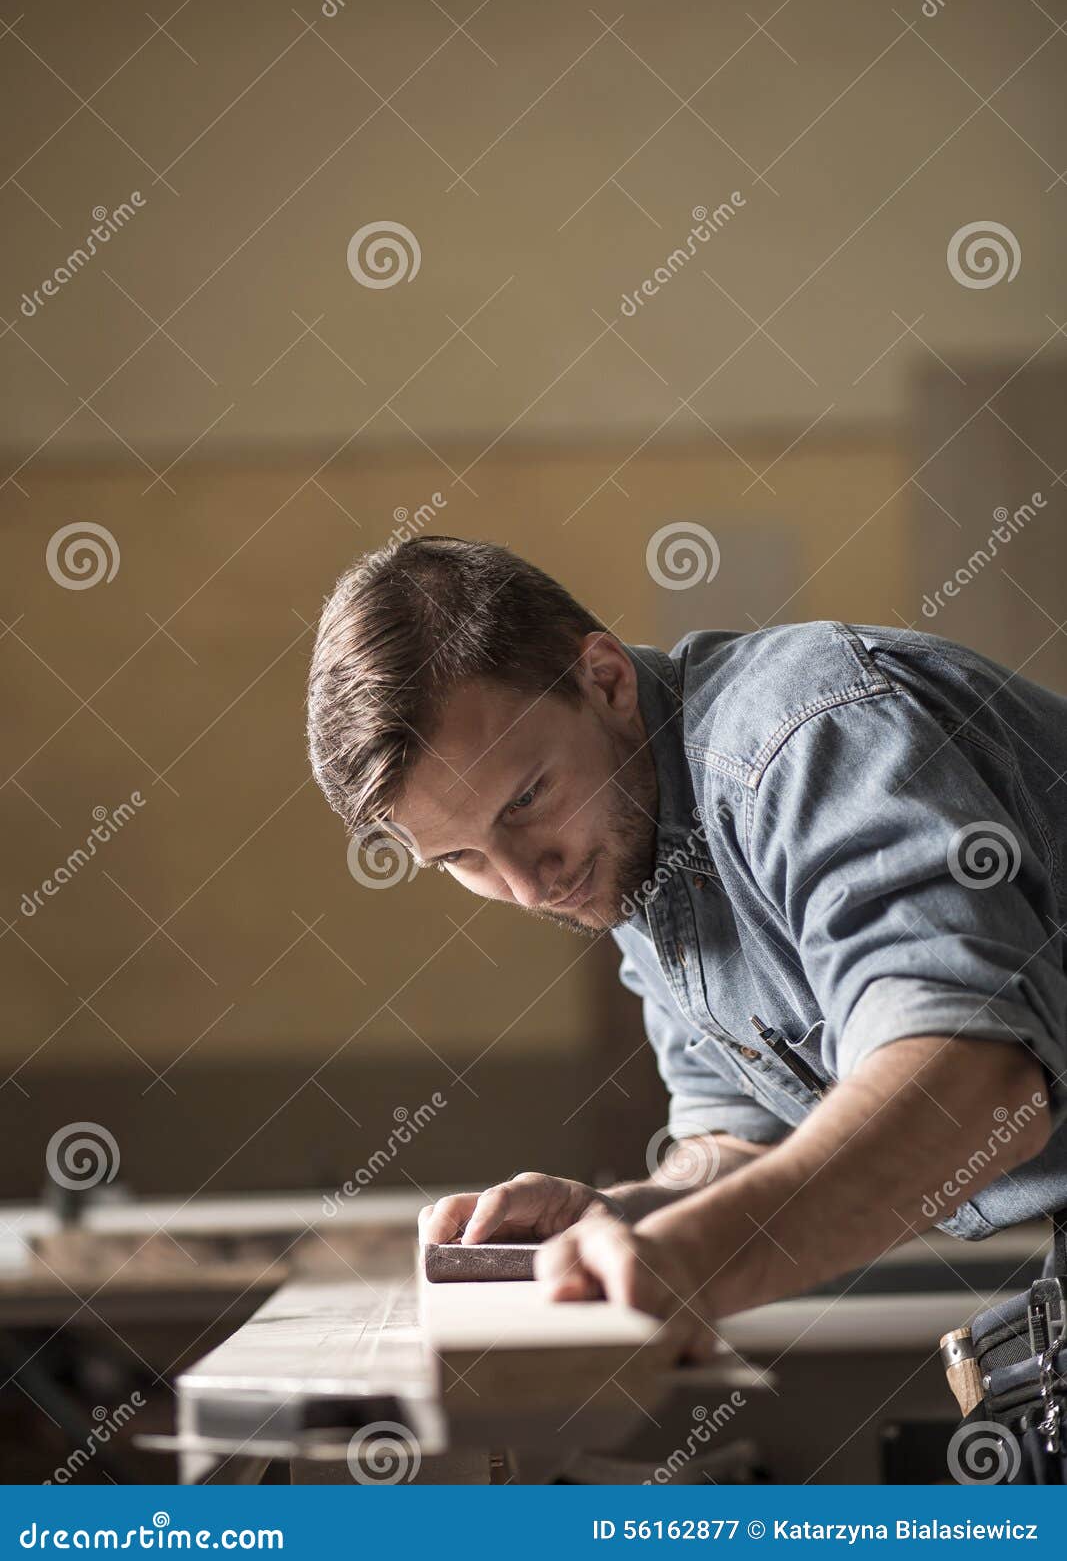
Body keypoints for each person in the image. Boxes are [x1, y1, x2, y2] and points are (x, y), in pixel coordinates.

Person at [306, 535, 1065, 1357]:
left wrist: (703, 1258)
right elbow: (746, 1142)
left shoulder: (806, 735)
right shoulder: (633, 851)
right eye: (458, 858)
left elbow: (975, 1078)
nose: (528, 885)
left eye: (525, 800)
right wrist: (629, 1214)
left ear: (604, 680)